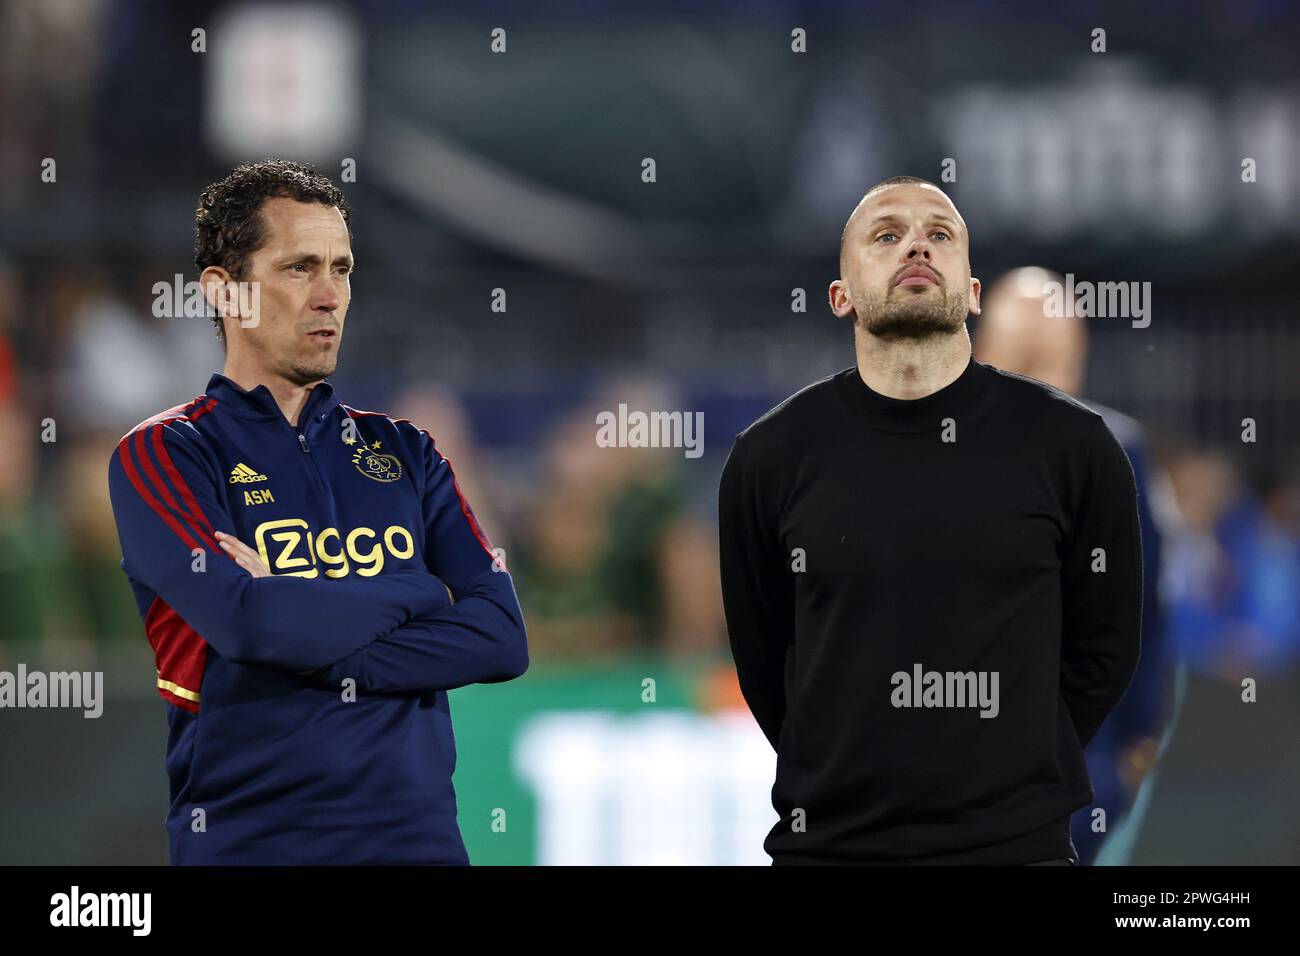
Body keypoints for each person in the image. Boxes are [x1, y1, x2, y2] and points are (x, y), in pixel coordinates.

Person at [107, 160, 528, 864]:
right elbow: (247, 622)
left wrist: (296, 614)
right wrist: (423, 592)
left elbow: (501, 637)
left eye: (343, 268)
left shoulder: (408, 452)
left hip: (419, 849)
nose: (330, 296)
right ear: (225, 291)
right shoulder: (165, 455)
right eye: (300, 268)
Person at [718, 176, 1142, 865]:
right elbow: (767, 662)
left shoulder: (1076, 449)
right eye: (886, 235)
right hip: (831, 850)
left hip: (1017, 852)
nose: (916, 242)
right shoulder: (769, 459)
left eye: (940, 234)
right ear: (841, 295)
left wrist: (1014, 768)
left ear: (972, 292)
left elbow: (1108, 647)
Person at [974, 268, 1172, 864]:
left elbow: (1147, 610)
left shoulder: (1121, 455)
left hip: (1082, 778)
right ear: (980, 356)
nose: (1042, 382)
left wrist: (1139, 743)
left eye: (1054, 360)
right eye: (1024, 358)